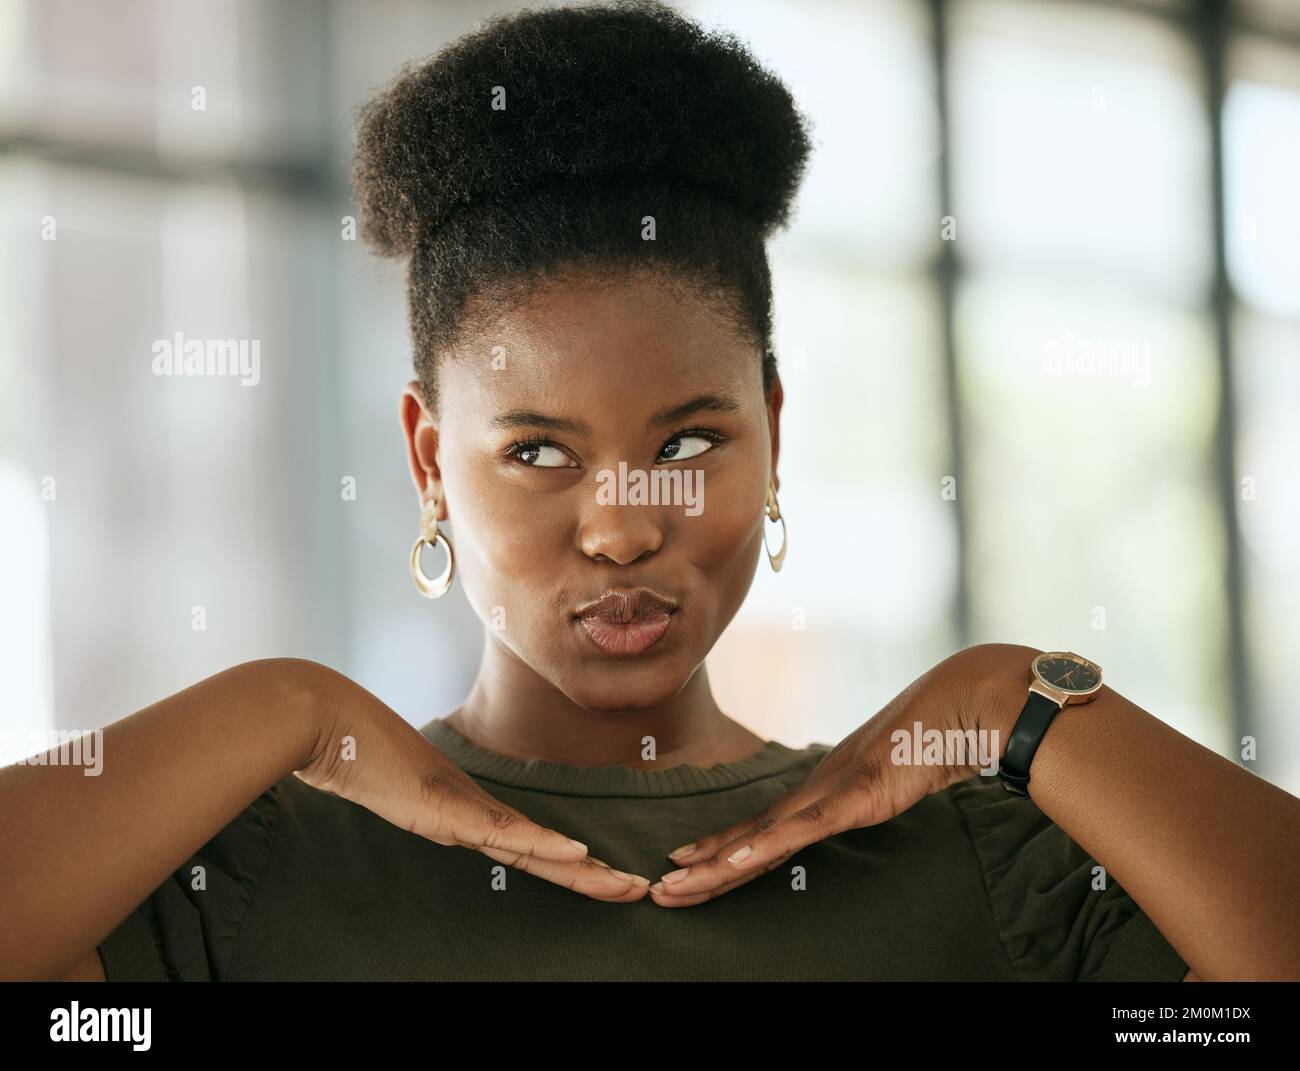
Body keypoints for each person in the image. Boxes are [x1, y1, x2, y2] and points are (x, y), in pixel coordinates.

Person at [4, 0, 1297, 983]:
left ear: (773, 436)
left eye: (686, 445)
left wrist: (1021, 695)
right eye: (537, 452)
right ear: (424, 460)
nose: (622, 525)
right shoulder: (245, 873)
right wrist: (278, 704)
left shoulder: (976, 858)